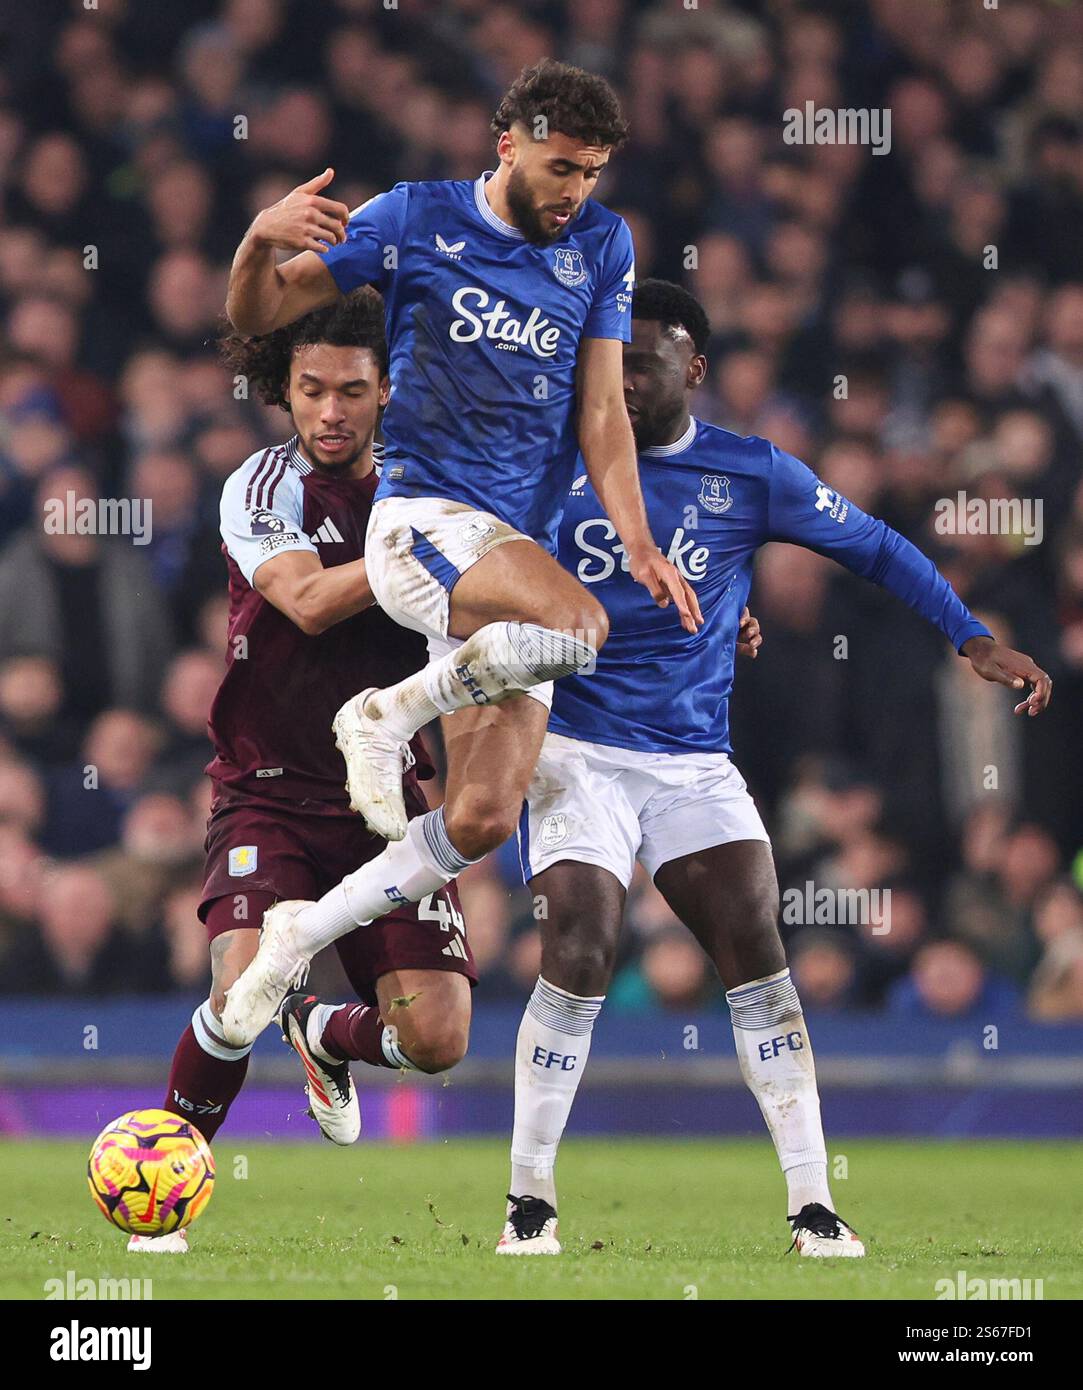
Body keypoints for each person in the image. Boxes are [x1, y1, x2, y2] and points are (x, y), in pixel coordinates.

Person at [496, 279, 1053, 1258]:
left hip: (691, 761)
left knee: (759, 954)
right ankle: (529, 1201)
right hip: (577, 749)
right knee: (580, 940)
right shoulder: (551, 458)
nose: (623, 381)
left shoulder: (748, 473)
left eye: (646, 363)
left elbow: (876, 547)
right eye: (611, 362)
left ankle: (812, 1206)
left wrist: (970, 636)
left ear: (694, 370)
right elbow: (472, 563)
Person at [221, 59, 701, 1048]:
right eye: (562, 166)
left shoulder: (604, 246)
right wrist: (257, 240)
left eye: (594, 171)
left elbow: (603, 410)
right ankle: (385, 714)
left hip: (505, 551)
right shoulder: (412, 220)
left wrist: (640, 538)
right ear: (508, 143)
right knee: (579, 625)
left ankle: (302, 938)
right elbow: (259, 314)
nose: (576, 191)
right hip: (423, 521)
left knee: (481, 818)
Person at [131, 291, 475, 1254]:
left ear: (384, 392)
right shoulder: (260, 483)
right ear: (284, 390)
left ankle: (322, 1028)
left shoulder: (429, 483)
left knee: (437, 1038)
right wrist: (428, 551)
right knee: (238, 995)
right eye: (312, 389)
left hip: (386, 798)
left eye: (351, 391)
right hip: (267, 791)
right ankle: (163, 1200)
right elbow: (311, 603)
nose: (331, 411)